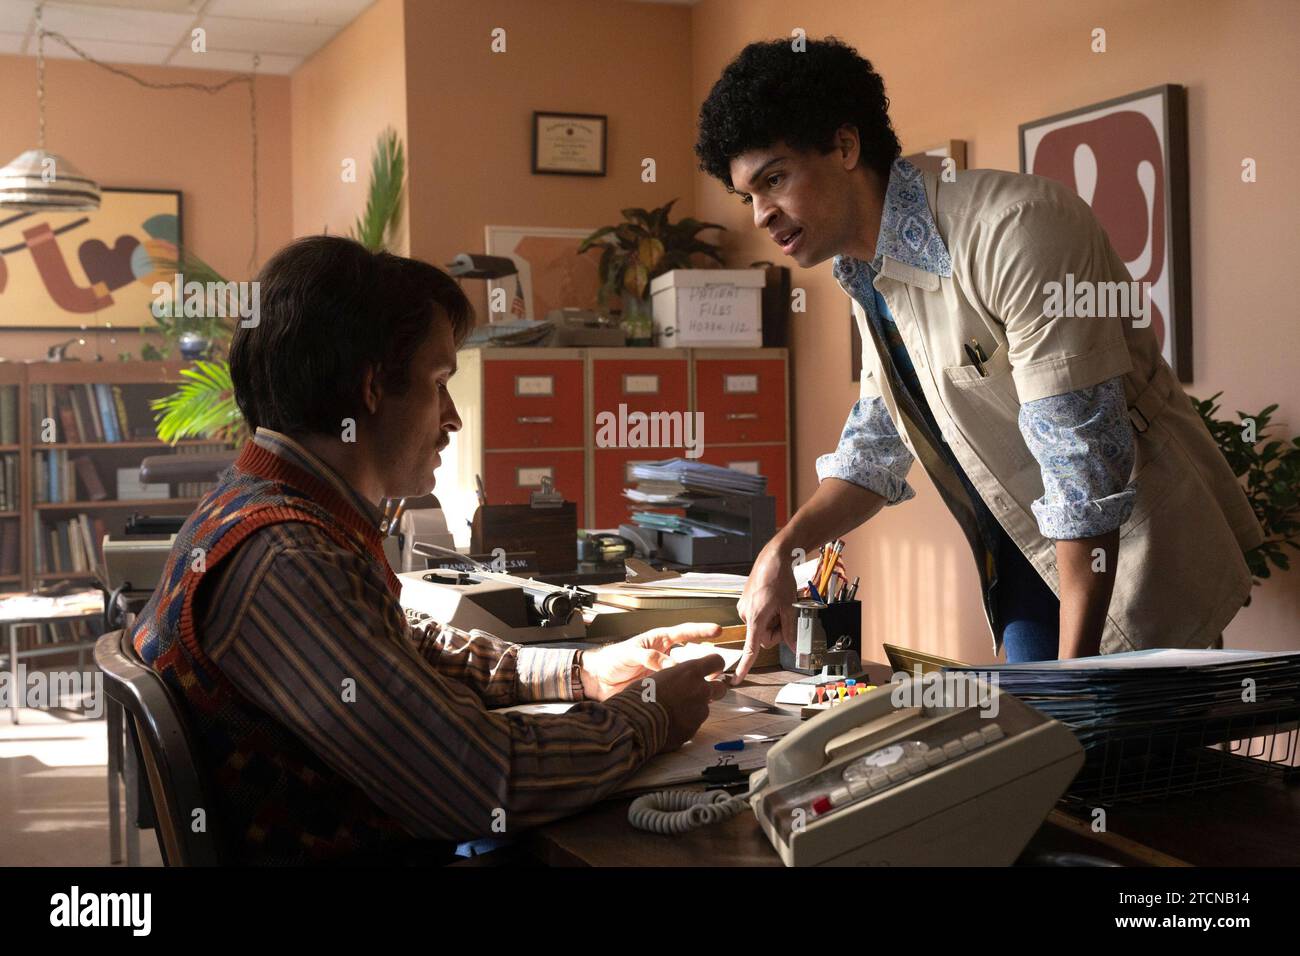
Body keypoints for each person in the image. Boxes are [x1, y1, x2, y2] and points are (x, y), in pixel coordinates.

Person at [130, 235, 726, 865]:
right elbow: (482, 782)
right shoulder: (287, 560)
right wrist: (652, 716)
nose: (453, 417)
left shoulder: (264, 504)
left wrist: (586, 672)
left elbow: (409, 653)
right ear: (369, 389)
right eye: (439, 382)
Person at [693, 38, 1262, 679]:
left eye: (774, 179)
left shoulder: (1018, 229)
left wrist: (1069, 683)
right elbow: (875, 449)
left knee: (1144, 772)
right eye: (749, 196)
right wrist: (782, 549)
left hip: (1128, 566)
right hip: (1023, 563)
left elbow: (1085, 478)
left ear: (845, 147)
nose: (763, 214)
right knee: (1033, 769)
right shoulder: (866, 274)